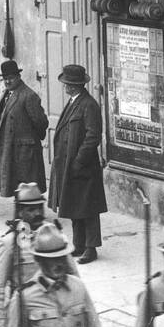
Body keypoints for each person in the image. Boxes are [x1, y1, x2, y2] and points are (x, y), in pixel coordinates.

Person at [50, 64, 106, 264]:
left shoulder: (88, 105)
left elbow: (93, 136)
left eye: (67, 83)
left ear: (75, 86)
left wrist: (79, 160)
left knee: (88, 208)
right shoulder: (74, 102)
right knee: (74, 205)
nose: (64, 86)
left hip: (83, 166)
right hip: (70, 165)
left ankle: (91, 248)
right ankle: (79, 244)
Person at [0, 58, 48, 205]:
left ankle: (31, 213)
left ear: (18, 77)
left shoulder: (28, 96)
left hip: (24, 151)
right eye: (5, 79)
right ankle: (22, 212)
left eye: (11, 78)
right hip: (12, 148)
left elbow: (41, 122)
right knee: (17, 185)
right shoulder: (8, 94)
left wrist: (31, 140)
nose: (8, 82)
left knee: (27, 185)